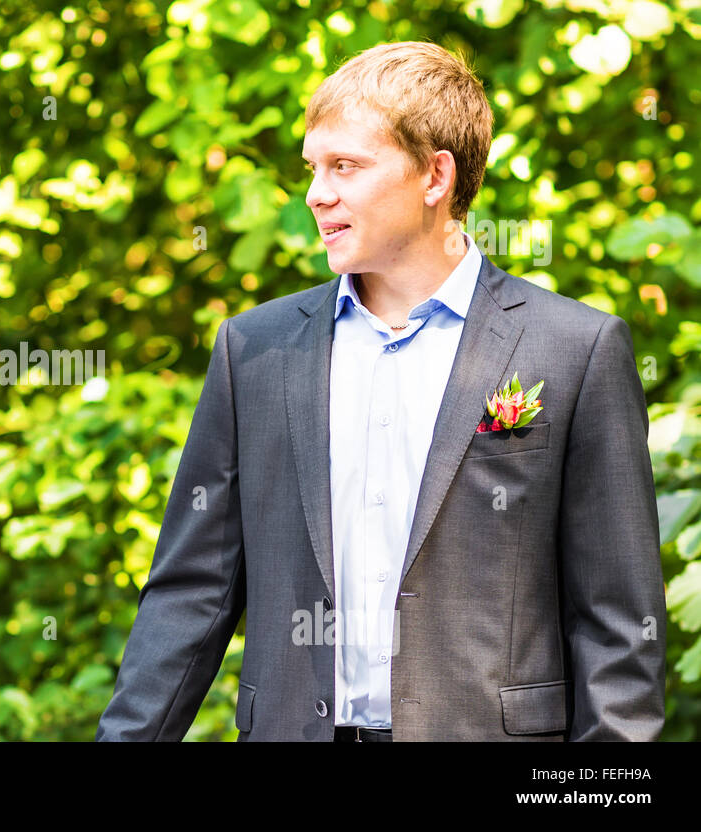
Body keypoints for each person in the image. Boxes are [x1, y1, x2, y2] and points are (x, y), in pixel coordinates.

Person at [97, 42, 666, 741]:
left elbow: (618, 628)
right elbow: (190, 597)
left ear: (435, 175)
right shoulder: (255, 351)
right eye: (313, 167)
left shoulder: (574, 350)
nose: (316, 193)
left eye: (346, 166)